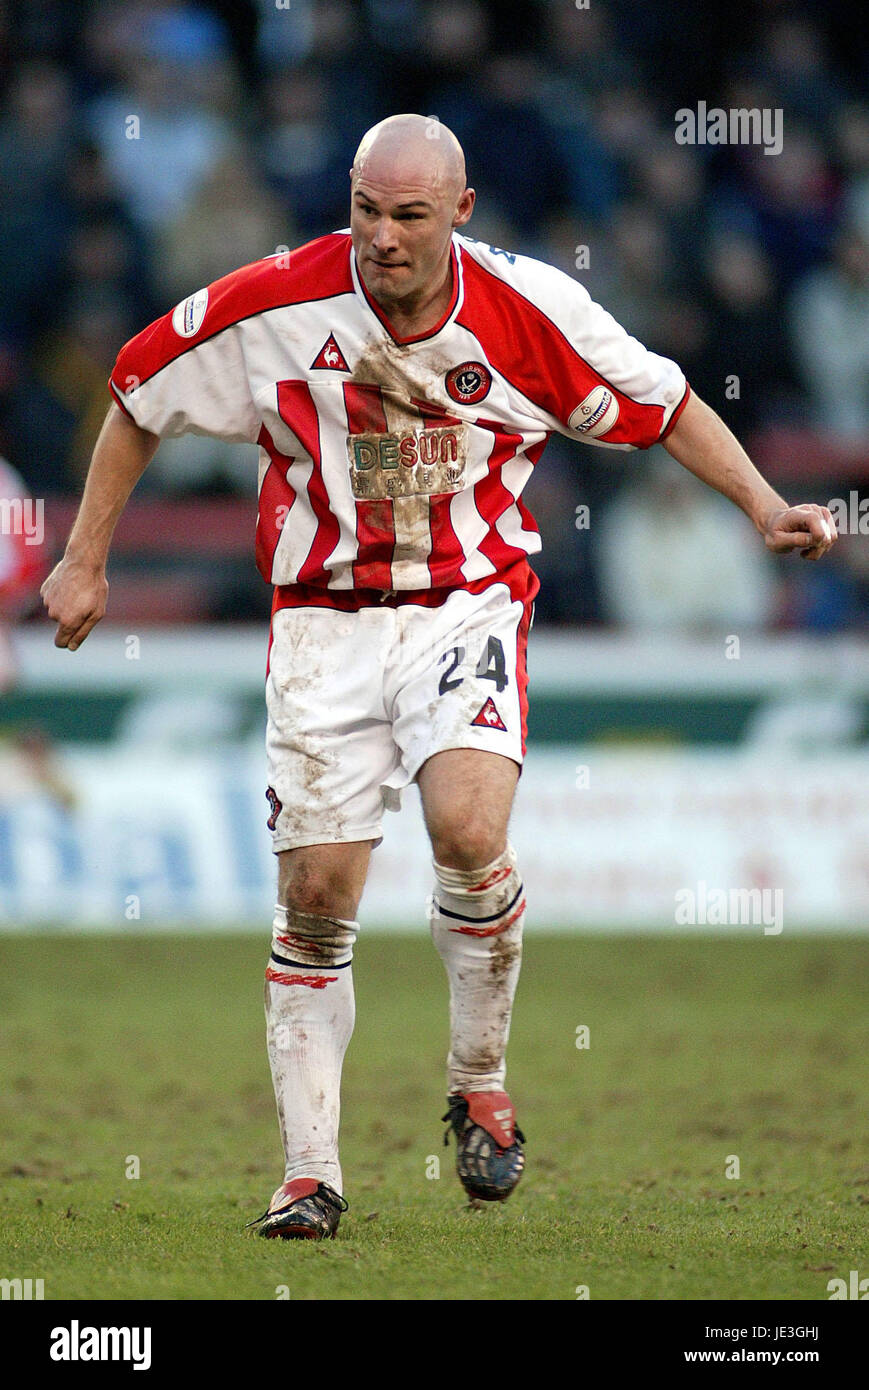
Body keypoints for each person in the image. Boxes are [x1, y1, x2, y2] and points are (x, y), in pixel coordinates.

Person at [41, 113, 838, 1241]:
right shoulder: (273, 303)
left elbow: (663, 405)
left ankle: (477, 1081)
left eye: (408, 215)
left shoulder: (532, 311)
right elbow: (134, 392)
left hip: (464, 604)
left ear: (459, 213)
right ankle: (309, 1172)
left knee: (468, 829)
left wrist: (764, 506)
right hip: (322, 619)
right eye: (365, 210)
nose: (381, 237)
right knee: (316, 896)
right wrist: (83, 557)